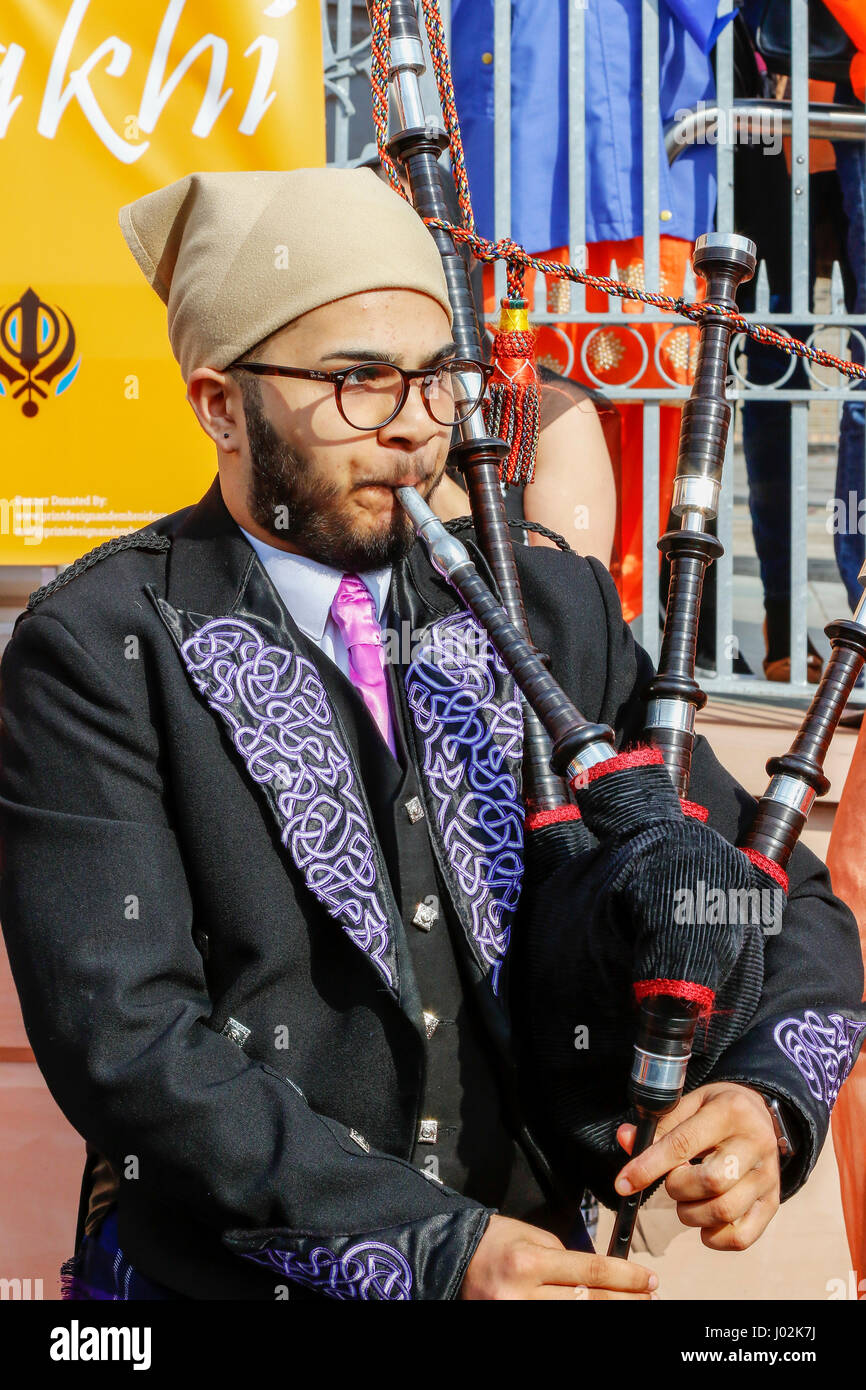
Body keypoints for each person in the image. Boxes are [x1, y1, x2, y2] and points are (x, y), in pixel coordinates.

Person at [0, 167, 863, 1302]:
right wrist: (432, 1248)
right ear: (219, 404)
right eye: (356, 381)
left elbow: (772, 891)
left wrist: (763, 1098)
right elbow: (126, 1041)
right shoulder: (101, 647)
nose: (413, 427)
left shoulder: (543, 610)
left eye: (434, 376)